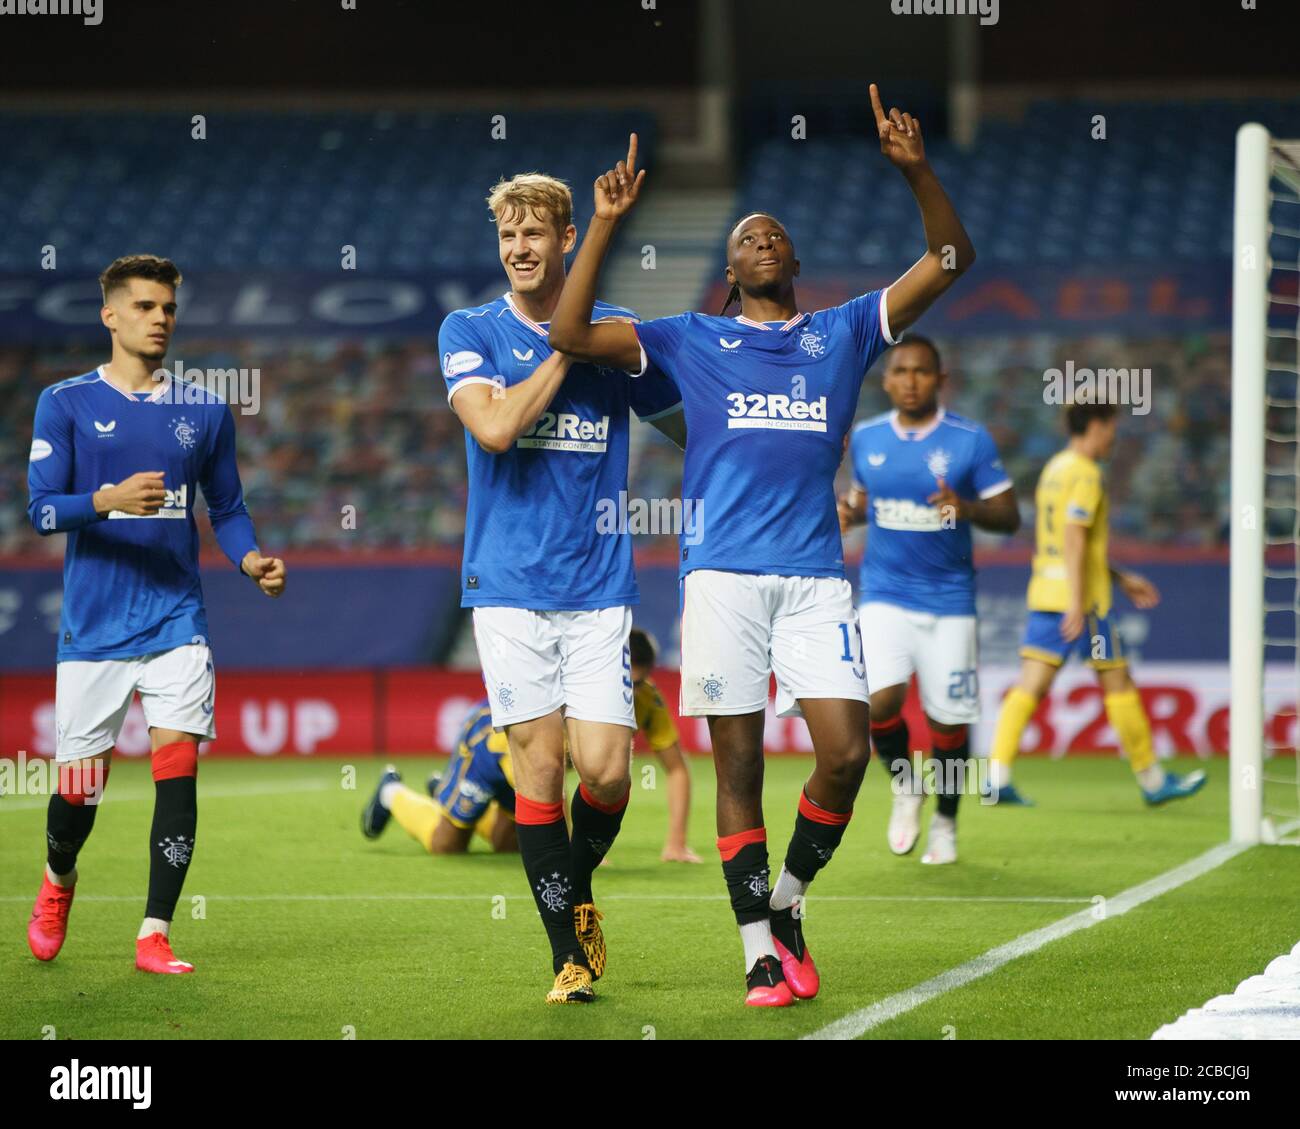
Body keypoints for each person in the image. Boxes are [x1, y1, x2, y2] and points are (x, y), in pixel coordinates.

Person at [547, 85, 975, 1006]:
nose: (762, 234)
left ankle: (786, 903)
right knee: (738, 766)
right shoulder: (689, 337)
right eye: (745, 235)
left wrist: (917, 170)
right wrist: (607, 224)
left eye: (773, 229)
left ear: (793, 258)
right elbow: (571, 333)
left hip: (817, 580)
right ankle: (756, 952)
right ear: (730, 272)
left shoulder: (843, 330)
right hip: (721, 582)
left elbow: (950, 258)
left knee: (847, 751)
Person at [437, 172, 685, 1004]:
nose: (519, 248)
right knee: (539, 771)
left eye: (535, 234)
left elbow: (688, 423)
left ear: (567, 239)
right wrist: (564, 347)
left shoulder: (614, 337)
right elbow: (497, 427)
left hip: (597, 586)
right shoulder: (468, 330)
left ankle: (574, 886)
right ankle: (565, 960)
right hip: (506, 587)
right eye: (507, 235)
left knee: (608, 772)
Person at [25, 254, 285, 975]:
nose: (161, 318)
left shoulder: (204, 409)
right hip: (95, 626)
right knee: (78, 793)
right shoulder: (65, 402)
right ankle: (57, 881)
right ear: (110, 315)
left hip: (176, 619)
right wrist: (105, 499)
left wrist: (249, 559)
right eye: (145, 306)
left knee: (178, 768)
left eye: (168, 306)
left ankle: (154, 931)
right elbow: (41, 509)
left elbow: (228, 509)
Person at [839, 335, 1018, 864]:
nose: (911, 380)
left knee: (947, 723)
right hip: (885, 594)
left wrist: (965, 507)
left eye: (922, 372)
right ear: (888, 380)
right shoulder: (869, 438)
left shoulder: (970, 441)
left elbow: (1008, 517)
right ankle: (905, 784)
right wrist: (850, 513)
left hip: (949, 600)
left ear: (940, 380)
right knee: (879, 702)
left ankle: (945, 820)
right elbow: (864, 501)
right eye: (902, 371)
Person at [987, 401, 1207, 807]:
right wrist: (1078, 601)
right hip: (1082, 603)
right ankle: (1154, 781)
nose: (1114, 438)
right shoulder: (1086, 474)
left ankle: (996, 776)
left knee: (1030, 686)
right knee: (1119, 682)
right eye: (1111, 428)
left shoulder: (1055, 468)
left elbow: (1072, 544)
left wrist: (1121, 577)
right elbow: (1074, 536)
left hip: (1045, 593)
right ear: (1096, 426)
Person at [361, 698, 518, 854]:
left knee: (510, 845)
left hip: (519, 754)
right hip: (489, 743)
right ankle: (391, 792)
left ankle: (448, 794)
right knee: (447, 844)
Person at [627, 628, 701, 863]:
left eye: (638, 682)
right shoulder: (580, 697)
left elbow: (677, 769)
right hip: (514, 774)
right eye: (627, 682)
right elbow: (551, 771)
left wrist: (676, 844)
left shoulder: (648, 699)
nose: (631, 691)